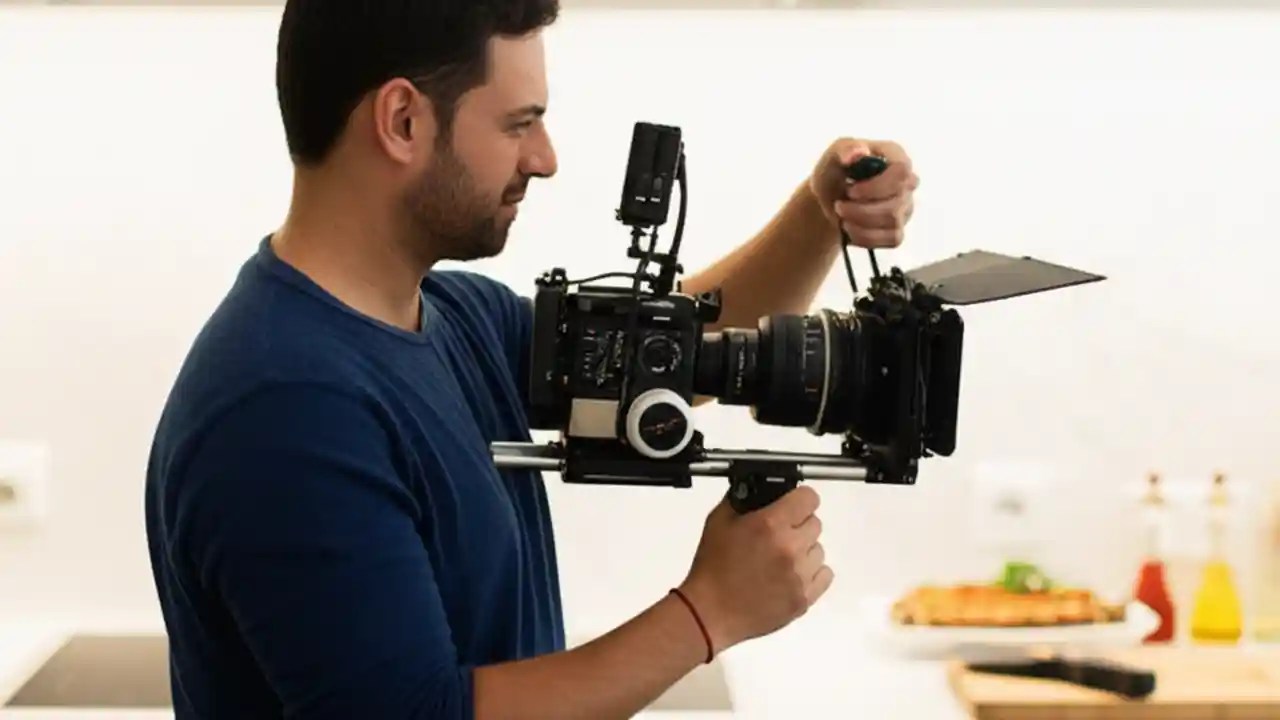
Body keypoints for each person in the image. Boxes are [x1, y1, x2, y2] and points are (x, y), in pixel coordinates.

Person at [144, 1, 919, 718]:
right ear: (403, 121)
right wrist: (707, 613)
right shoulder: (287, 405)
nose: (544, 159)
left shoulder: (451, 319)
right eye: (520, 124)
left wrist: (823, 213)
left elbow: (667, 355)